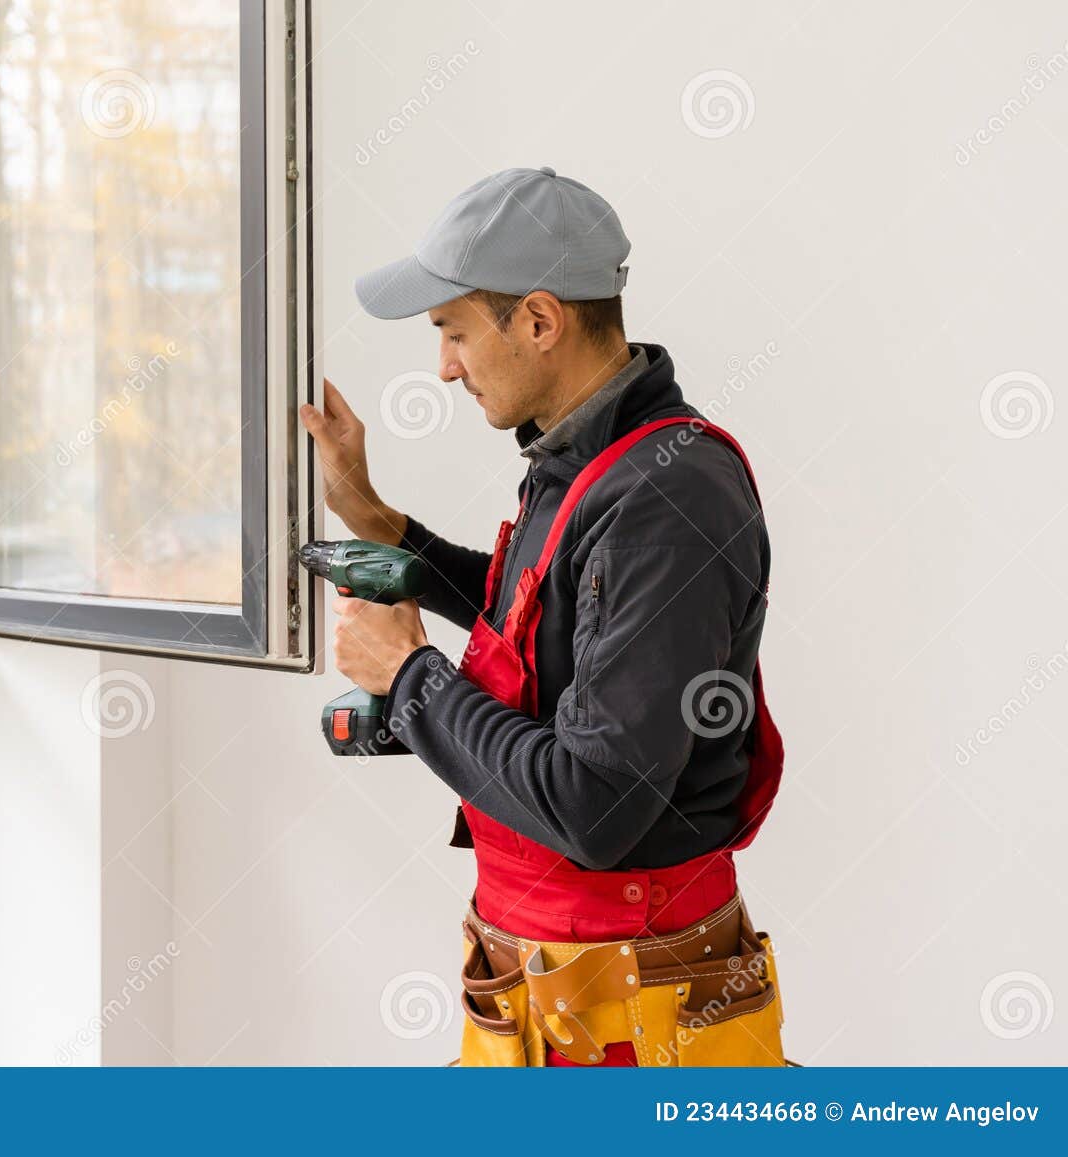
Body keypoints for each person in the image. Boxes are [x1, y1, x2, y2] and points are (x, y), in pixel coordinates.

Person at [299, 167, 789, 1067]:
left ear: (538, 320)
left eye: (452, 331)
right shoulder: (587, 460)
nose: (444, 365)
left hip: (635, 1017)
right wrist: (377, 521)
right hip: (543, 986)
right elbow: (542, 616)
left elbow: (594, 803)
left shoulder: (667, 501)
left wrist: (412, 674)